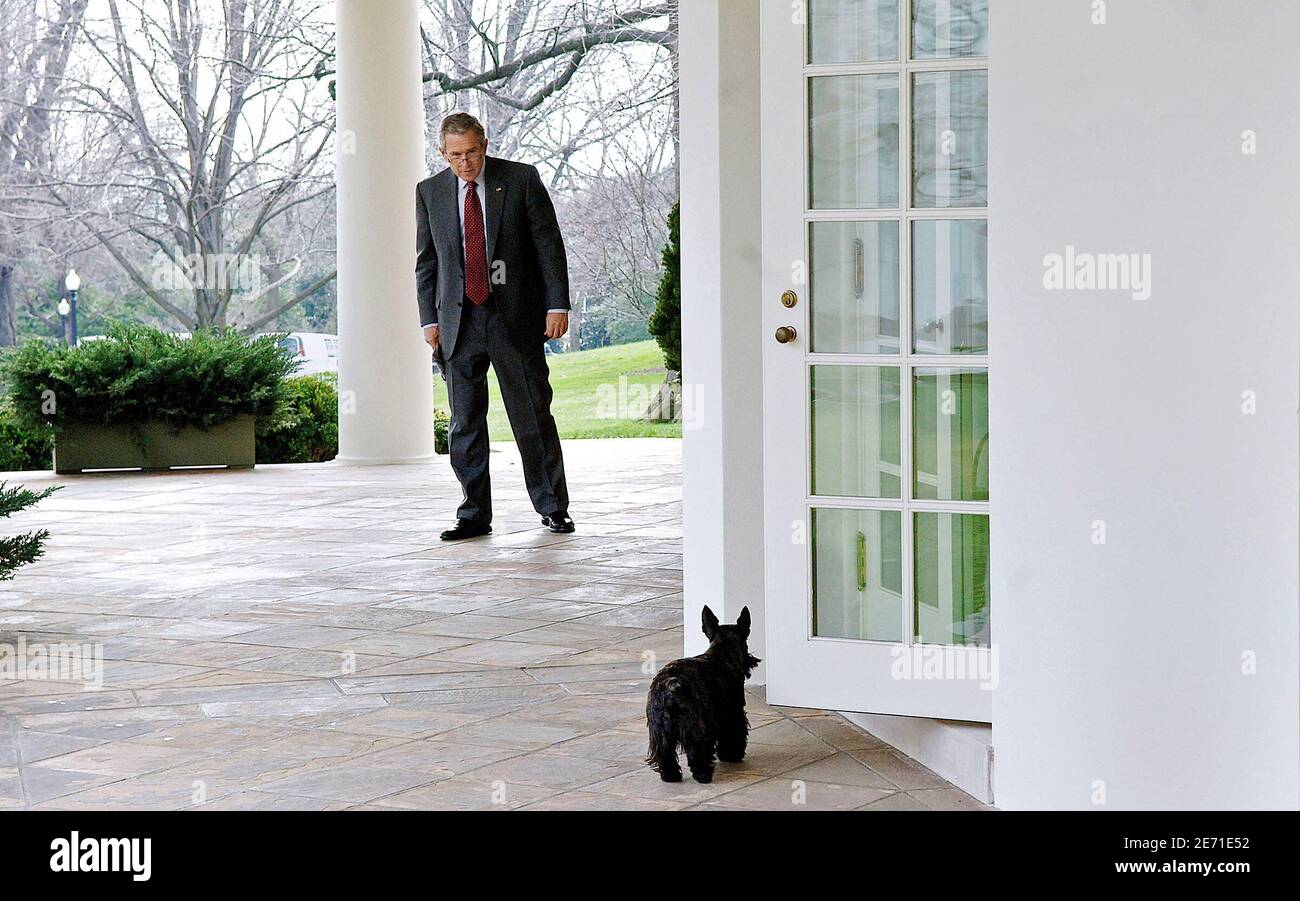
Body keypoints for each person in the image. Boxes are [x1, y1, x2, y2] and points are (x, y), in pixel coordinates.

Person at [416, 112, 575, 540]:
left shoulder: (520, 179)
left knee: (531, 416)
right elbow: (426, 262)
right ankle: (472, 515)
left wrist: (556, 305)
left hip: (514, 319)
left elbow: (548, 246)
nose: (464, 163)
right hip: (458, 322)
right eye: (454, 155)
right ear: (442, 153)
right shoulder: (429, 192)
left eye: (470, 152)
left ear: (484, 144)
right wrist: (429, 320)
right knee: (465, 423)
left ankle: (552, 508)